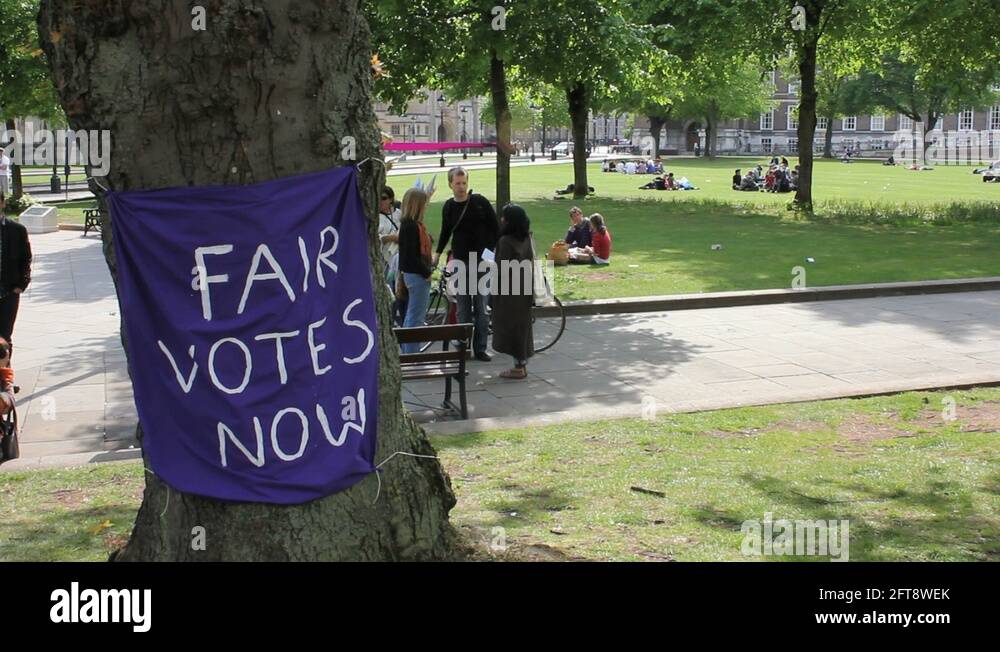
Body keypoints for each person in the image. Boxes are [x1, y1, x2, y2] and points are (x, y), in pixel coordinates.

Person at [433, 167, 499, 362]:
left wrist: (489, 254)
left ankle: (480, 348)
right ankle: (462, 346)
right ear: (450, 184)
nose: (461, 187)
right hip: (460, 261)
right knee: (462, 308)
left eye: (464, 183)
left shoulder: (480, 202)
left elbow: (495, 229)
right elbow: (446, 231)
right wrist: (437, 253)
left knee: (480, 307)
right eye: (457, 183)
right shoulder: (448, 207)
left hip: (480, 262)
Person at [491, 204, 535, 380]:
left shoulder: (505, 241)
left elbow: (500, 268)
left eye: (504, 217)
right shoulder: (526, 239)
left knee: (511, 328)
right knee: (522, 328)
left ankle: (518, 367)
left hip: (509, 292)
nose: (502, 220)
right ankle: (521, 364)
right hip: (523, 289)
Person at [397, 188, 434, 353]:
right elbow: (411, 257)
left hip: (411, 275)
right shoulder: (412, 227)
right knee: (416, 317)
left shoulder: (408, 225)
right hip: (417, 275)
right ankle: (412, 354)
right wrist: (426, 272)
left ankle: (408, 351)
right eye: (424, 204)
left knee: (411, 315)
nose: (426, 206)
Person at [0, 193, 31, 360]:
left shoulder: (16, 230)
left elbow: (26, 258)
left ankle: (5, 378)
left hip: (8, 291)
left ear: (3, 203)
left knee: (4, 337)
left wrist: (21, 284)